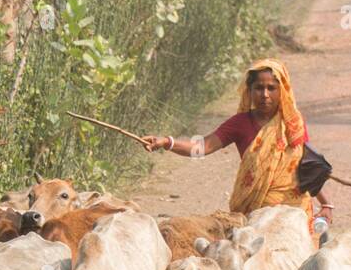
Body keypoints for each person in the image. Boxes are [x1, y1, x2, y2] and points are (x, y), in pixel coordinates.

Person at [142, 59, 332, 228]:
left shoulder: (292, 123)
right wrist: (166, 142)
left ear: (282, 90)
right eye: (259, 88)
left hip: (294, 214)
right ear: (249, 91)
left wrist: (325, 204)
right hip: (256, 215)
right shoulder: (239, 123)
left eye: (271, 88)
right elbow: (202, 147)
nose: (265, 94)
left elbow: (304, 166)